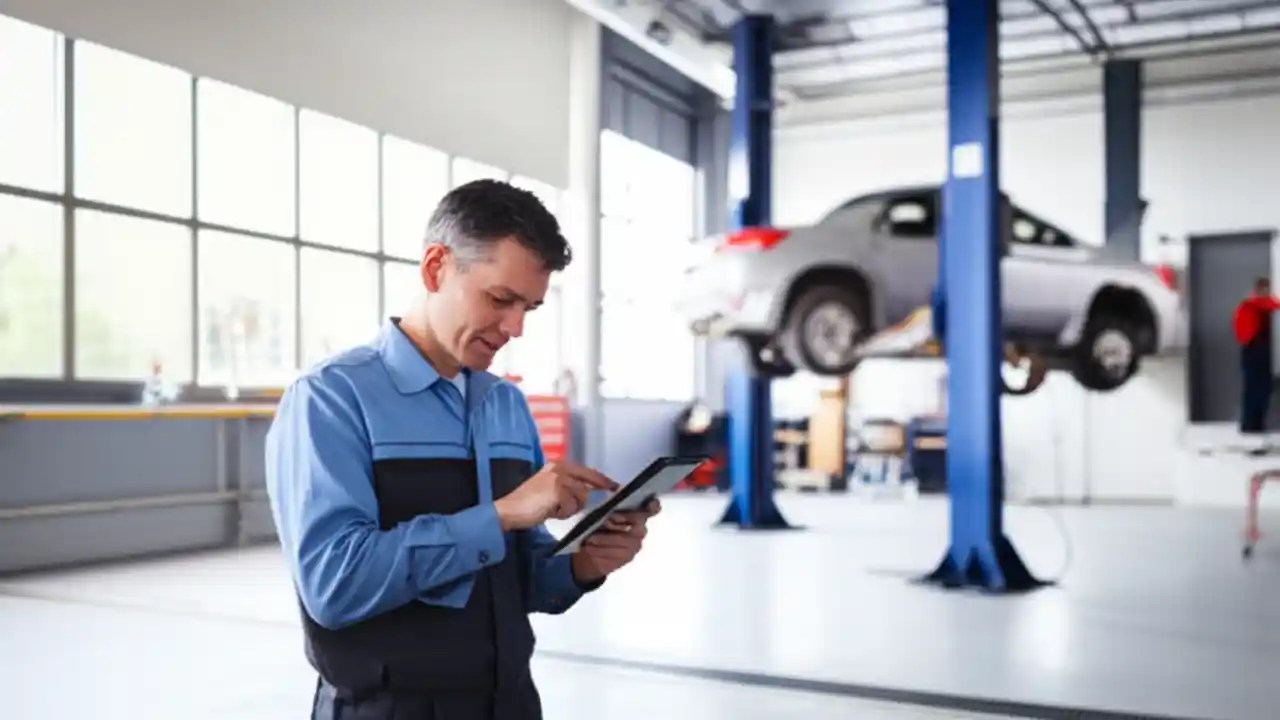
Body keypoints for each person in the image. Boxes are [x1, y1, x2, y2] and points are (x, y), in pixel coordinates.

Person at [265, 179, 661, 719]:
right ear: (435, 268)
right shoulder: (331, 399)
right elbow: (334, 586)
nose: (515, 327)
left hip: (509, 704)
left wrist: (583, 563)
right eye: (500, 299)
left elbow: (519, 580)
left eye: (529, 308)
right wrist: (500, 515)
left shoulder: (506, 406)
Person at [1233, 276, 1280, 433]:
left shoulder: (1256, 304)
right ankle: (1250, 424)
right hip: (1253, 351)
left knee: (1262, 389)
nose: (1266, 293)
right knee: (1253, 388)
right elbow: (1270, 305)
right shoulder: (1249, 305)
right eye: (1264, 290)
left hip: (1260, 351)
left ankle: (1256, 424)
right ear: (1258, 289)